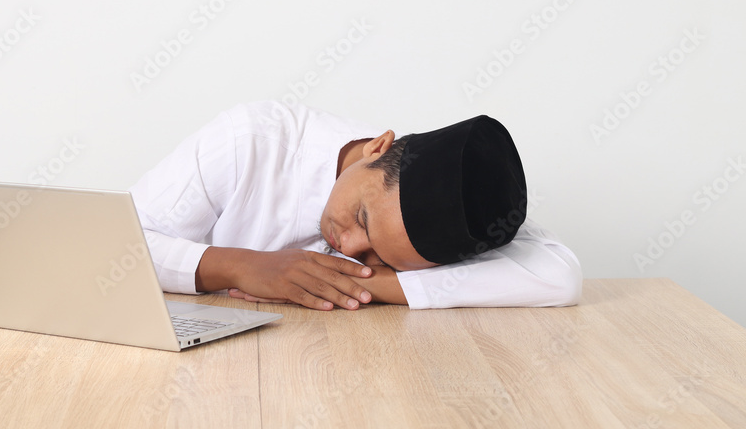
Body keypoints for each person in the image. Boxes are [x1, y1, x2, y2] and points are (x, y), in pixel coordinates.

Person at [128, 100, 582, 311]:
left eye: (377, 258)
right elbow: (117, 247)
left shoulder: (451, 207)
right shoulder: (249, 141)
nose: (346, 245)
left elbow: (559, 275)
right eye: (362, 218)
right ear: (378, 148)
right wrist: (242, 267)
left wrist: (376, 286)